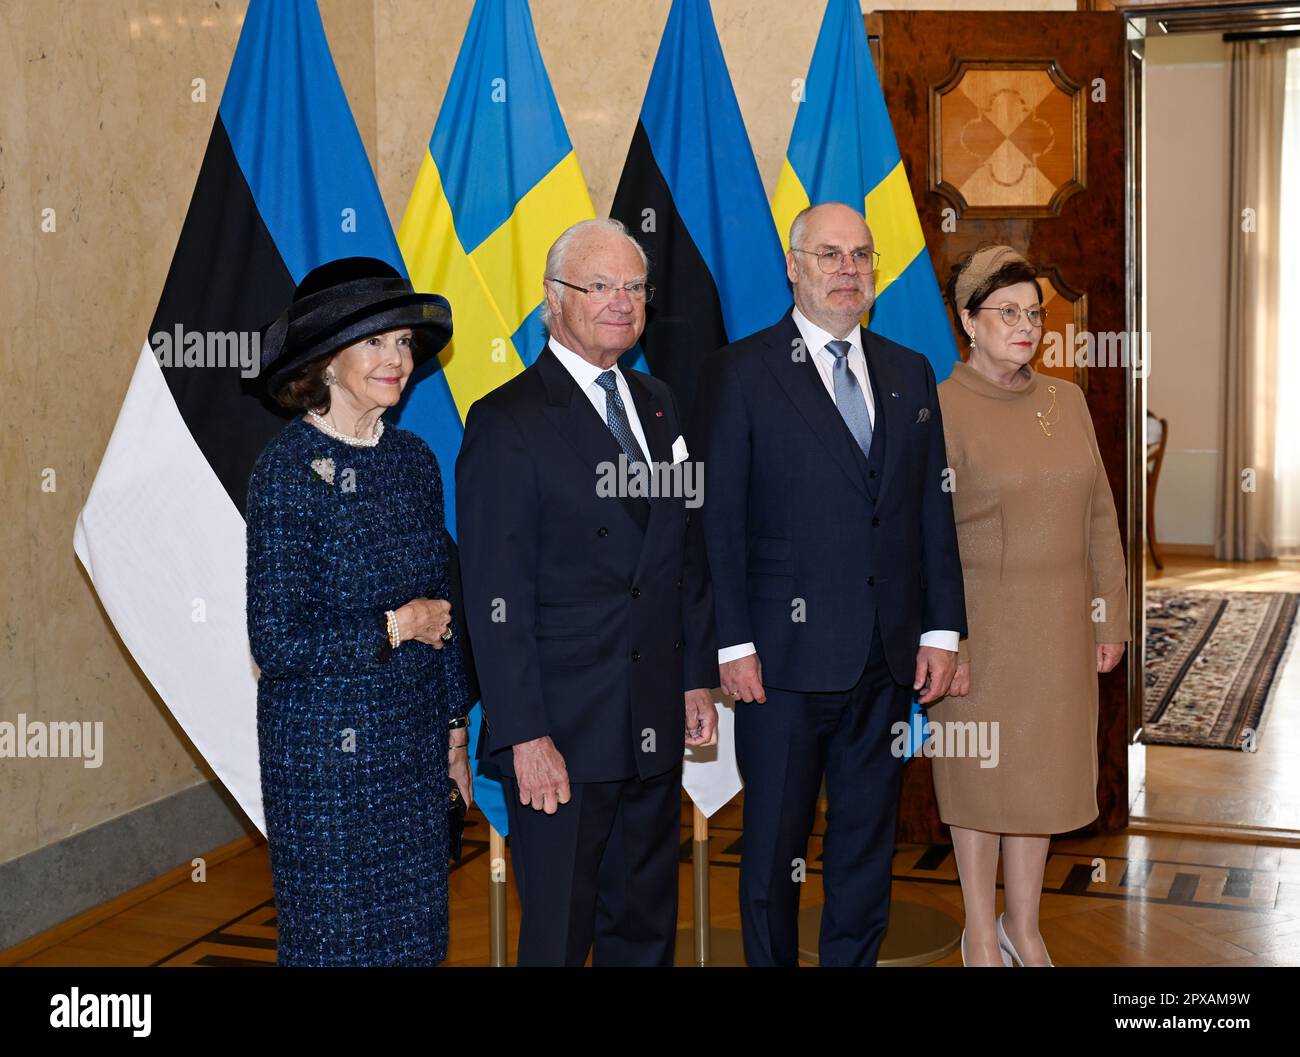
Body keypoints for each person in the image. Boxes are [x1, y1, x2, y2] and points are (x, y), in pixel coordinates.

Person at [696, 202, 967, 967]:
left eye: (861, 256)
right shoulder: (740, 371)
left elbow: (928, 507)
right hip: (779, 665)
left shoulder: (909, 370)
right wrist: (733, 643)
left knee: (863, 846)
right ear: (793, 265)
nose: (848, 270)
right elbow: (719, 519)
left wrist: (942, 629)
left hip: (885, 659)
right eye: (829, 255)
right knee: (773, 850)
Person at [456, 218, 718, 967]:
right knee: (560, 938)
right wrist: (524, 733)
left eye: (634, 287)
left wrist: (695, 673)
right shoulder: (506, 421)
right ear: (552, 299)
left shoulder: (660, 402)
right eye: (599, 285)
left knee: (644, 932)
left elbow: (682, 555)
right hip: (562, 736)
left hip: (651, 722)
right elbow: (493, 599)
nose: (620, 302)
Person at [246, 256, 472, 966]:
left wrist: (455, 732)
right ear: (325, 359)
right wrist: (393, 625)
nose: (396, 358)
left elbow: (443, 606)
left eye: (404, 341)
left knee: (415, 943)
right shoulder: (285, 472)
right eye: (375, 341)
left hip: (412, 749)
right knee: (337, 946)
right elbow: (276, 639)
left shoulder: (414, 461)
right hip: (326, 764)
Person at [927, 245, 1128, 967]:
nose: (1025, 325)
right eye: (1006, 312)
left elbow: (1101, 515)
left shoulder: (1065, 400)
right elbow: (928, 540)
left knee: (1038, 778)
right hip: (981, 634)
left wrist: (1111, 617)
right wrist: (950, 641)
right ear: (968, 320)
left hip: (1061, 631)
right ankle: (981, 929)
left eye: (1034, 312)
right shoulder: (941, 407)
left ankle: (1025, 926)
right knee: (982, 782)